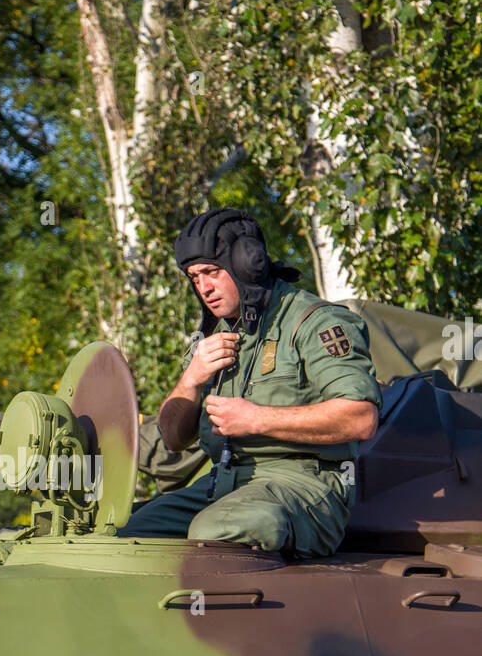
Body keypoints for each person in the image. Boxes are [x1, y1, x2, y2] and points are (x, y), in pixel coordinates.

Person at [118, 208, 382, 558]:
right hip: (224, 482)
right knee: (129, 536)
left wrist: (258, 419)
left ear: (247, 264)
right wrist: (192, 378)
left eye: (212, 272)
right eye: (194, 277)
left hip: (304, 485)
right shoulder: (215, 336)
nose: (204, 287)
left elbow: (360, 418)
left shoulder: (315, 322)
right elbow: (173, 438)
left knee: (217, 530)